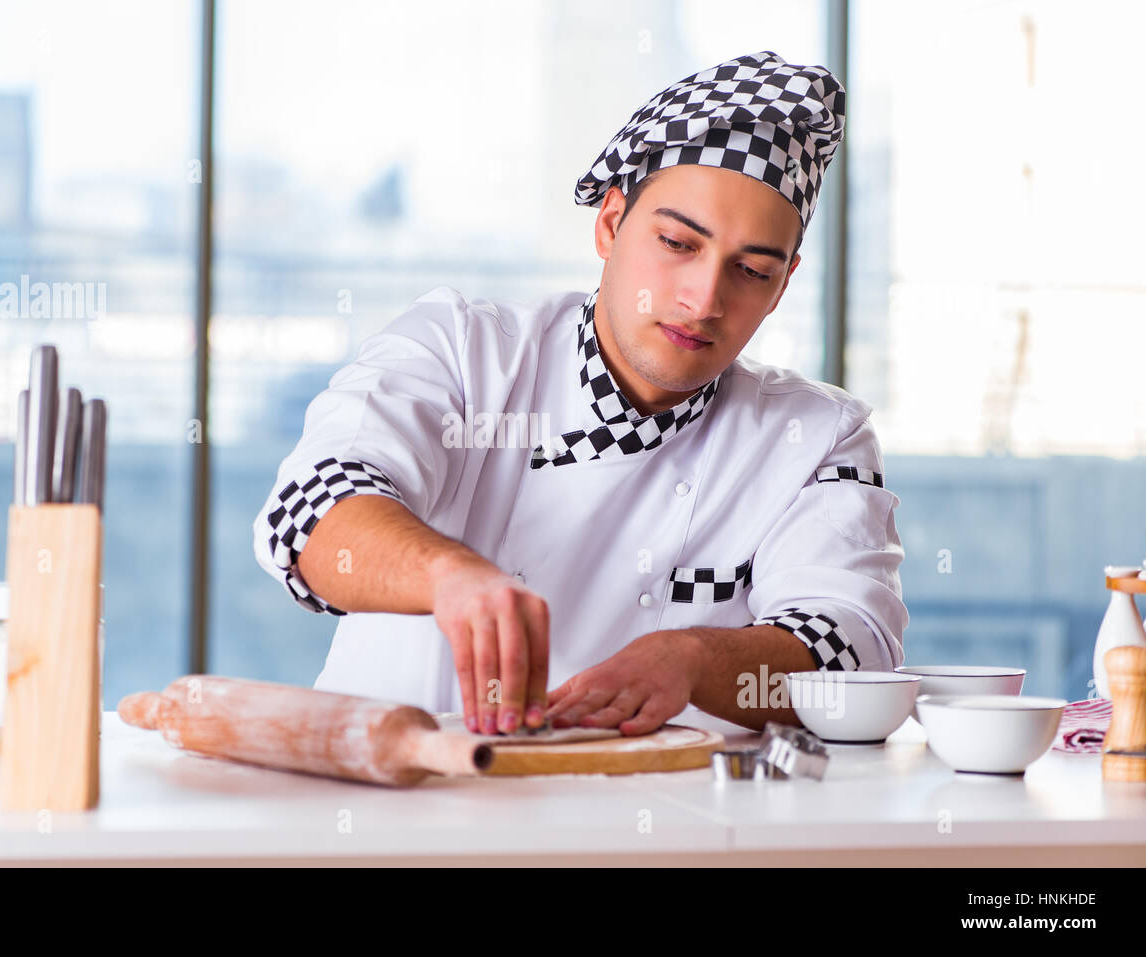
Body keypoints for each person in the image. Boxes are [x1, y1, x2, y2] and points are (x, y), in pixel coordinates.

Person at [253, 50, 908, 738]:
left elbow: (852, 651)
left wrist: (690, 657)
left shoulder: (815, 435)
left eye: (750, 270)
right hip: (395, 808)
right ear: (610, 222)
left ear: (783, 286)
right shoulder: (462, 347)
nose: (704, 297)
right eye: (677, 242)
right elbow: (307, 512)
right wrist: (448, 575)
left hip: (645, 826)